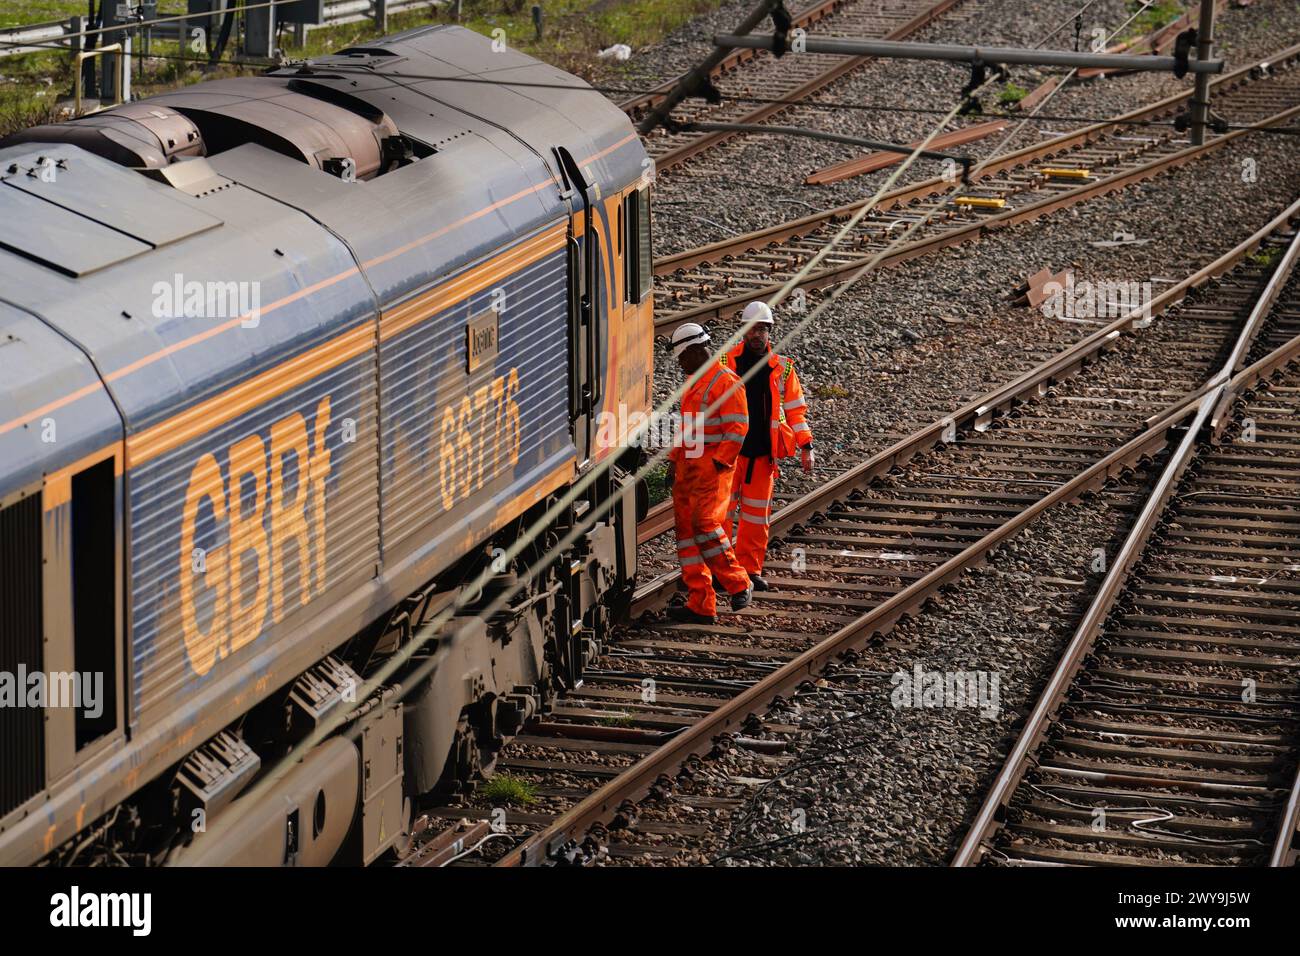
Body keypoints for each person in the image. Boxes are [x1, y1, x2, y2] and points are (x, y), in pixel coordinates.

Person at [720, 301, 815, 589]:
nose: (758, 334)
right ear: (743, 331)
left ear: (769, 331)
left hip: (763, 457)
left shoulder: (783, 369)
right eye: (753, 328)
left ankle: (749, 571)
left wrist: (806, 445)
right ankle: (721, 572)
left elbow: (797, 411)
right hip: (729, 456)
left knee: (755, 519)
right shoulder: (725, 363)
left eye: (763, 328)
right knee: (721, 517)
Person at [665, 322, 753, 624]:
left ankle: (739, 583)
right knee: (687, 537)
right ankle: (701, 604)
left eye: (682, 357)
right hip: (689, 473)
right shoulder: (696, 384)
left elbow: (738, 427)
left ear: (695, 350)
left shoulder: (726, 382)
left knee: (705, 525)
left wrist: (719, 464)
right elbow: (687, 431)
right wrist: (673, 461)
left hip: (710, 471)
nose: (680, 364)